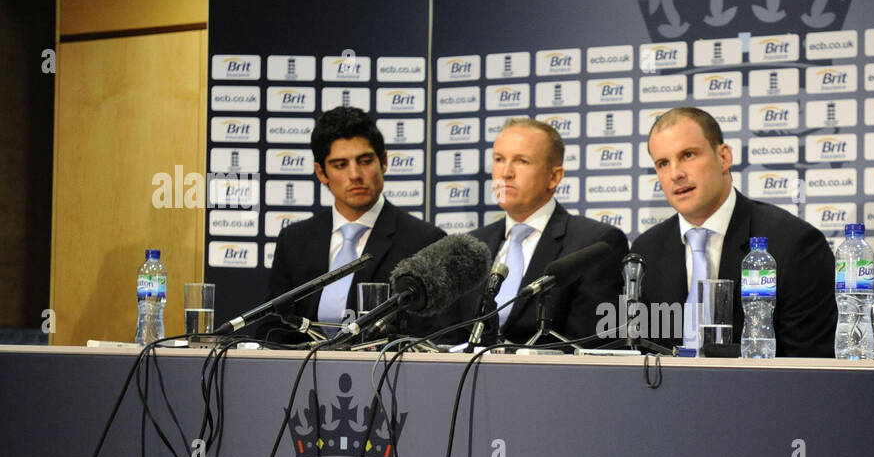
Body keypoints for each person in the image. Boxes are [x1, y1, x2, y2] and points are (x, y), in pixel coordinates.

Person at [632, 106, 835, 356]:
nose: (676, 174)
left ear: (724, 157)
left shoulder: (793, 244)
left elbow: (806, 366)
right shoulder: (646, 251)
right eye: (663, 163)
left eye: (688, 155)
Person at [440, 117, 627, 346]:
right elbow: (447, 336)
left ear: (554, 176)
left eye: (522, 161)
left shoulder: (595, 243)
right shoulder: (470, 245)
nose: (505, 172)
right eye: (499, 159)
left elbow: (590, 344)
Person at [264, 107, 444, 341]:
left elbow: (434, 336)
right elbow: (271, 331)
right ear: (321, 172)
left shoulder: (425, 242)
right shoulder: (295, 241)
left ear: (384, 162)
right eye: (340, 165)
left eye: (365, 161)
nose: (355, 174)